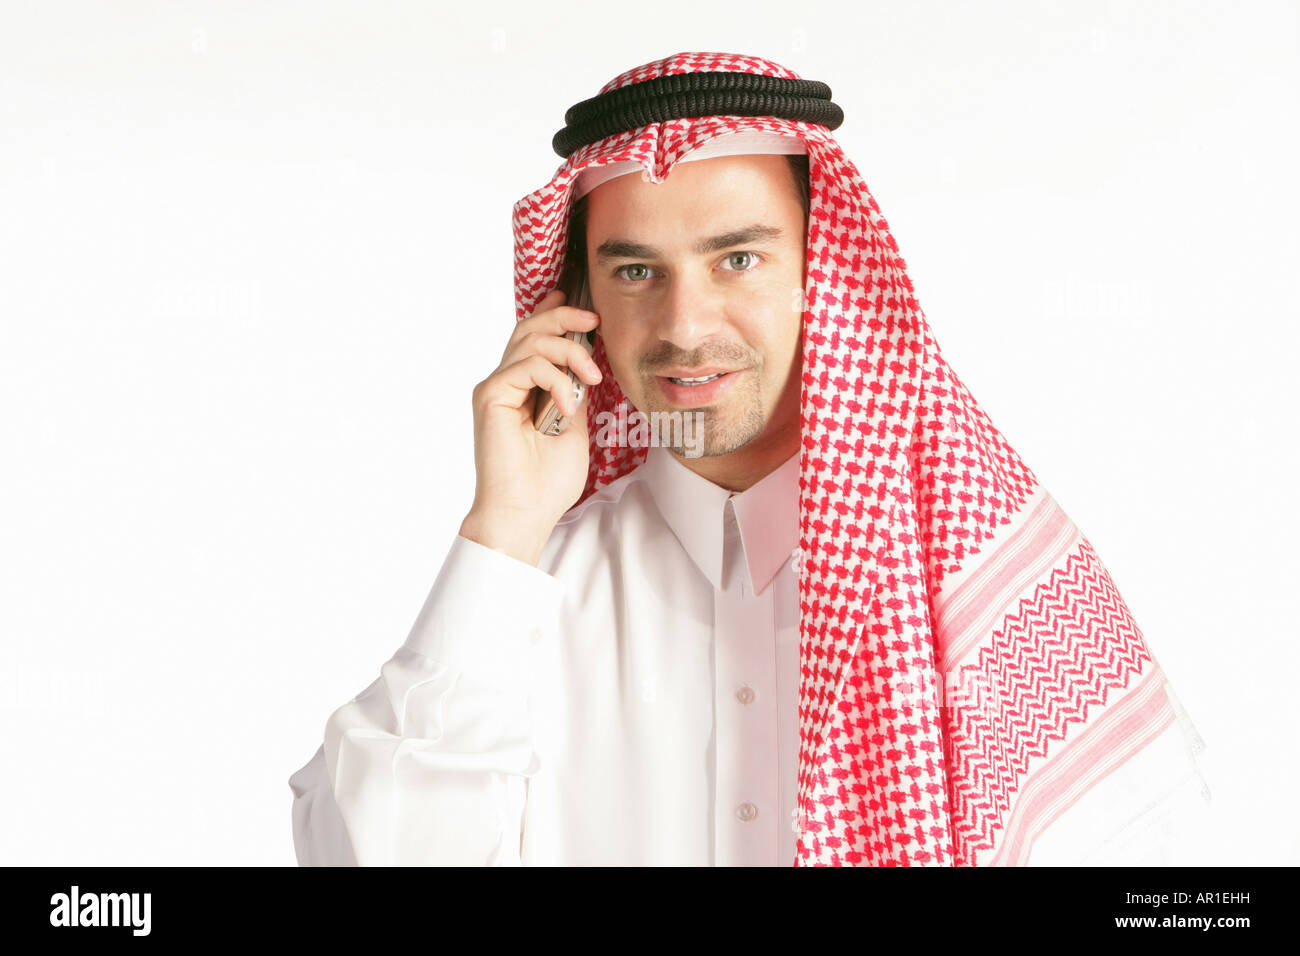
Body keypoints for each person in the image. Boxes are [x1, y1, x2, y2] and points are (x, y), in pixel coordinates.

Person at [288, 51, 1213, 866]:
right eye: (636, 271)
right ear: (583, 305)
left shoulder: (980, 579)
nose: (686, 327)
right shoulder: (524, 592)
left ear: (828, 277)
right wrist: (504, 531)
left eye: (738, 259)